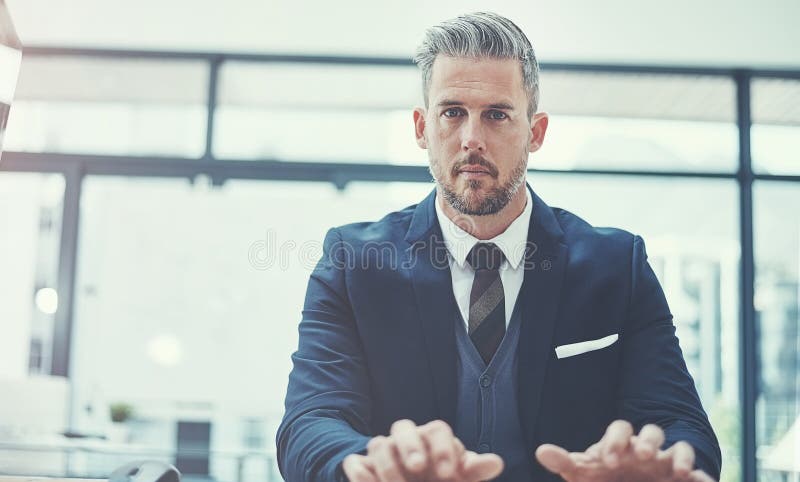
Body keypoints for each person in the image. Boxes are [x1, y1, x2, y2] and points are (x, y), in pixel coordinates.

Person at [276, 11, 722, 482]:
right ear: (422, 128)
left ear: (536, 132)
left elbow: (682, 426)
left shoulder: (619, 268)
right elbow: (309, 423)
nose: (472, 139)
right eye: (452, 112)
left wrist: (661, 465)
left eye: (496, 114)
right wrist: (368, 466)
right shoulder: (352, 263)